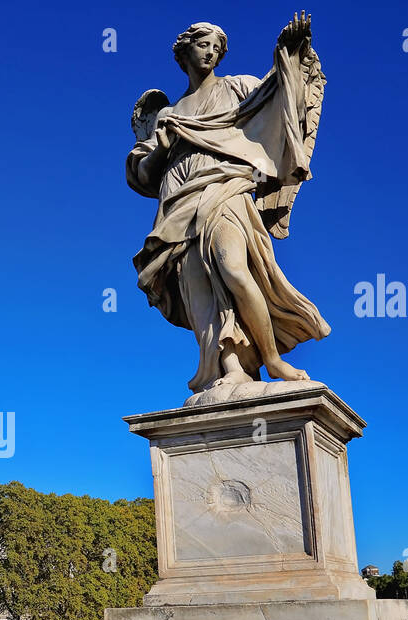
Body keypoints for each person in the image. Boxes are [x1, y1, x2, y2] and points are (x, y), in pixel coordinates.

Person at [126, 14, 328, 393]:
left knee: (234, 269)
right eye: (203, 46)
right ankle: (230, 365)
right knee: (201, 292)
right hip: (177, 201)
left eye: (217, 49)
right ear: (185, 52)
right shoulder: (169, 113)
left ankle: (271, 358)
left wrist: (288, 52)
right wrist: (163, 149)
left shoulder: (238, 88)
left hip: (225, 190)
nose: (211, 53)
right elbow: (143, 172)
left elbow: (282, 101)